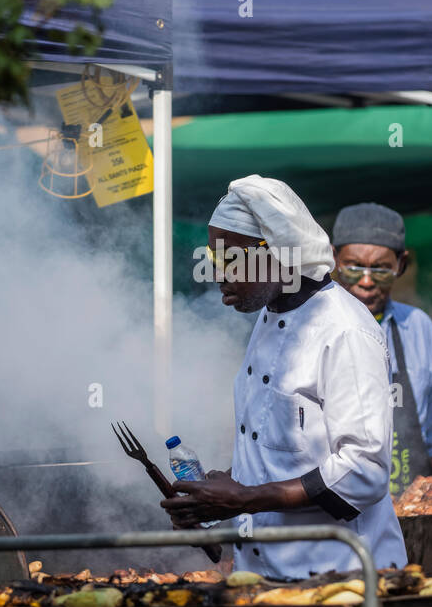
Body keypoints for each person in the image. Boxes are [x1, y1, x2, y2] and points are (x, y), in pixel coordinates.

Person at [162, 175, 408, 579]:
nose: (216, 273)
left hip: (341, 580)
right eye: (212, 258)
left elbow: (365, 471)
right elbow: (277, 450)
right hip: (263, 577)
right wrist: (217, 497)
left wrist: (244, 498)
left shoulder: (345, 330)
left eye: (228, 258)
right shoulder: (269, 316)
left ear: (277, 251)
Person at [331, 202, 432, 492]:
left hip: (411, 508)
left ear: (401, 264)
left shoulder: (419, 329)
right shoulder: (316, 328)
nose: (367, 282)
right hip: (339, 508)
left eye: (381, 270)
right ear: (334, 260)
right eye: (354, 268)